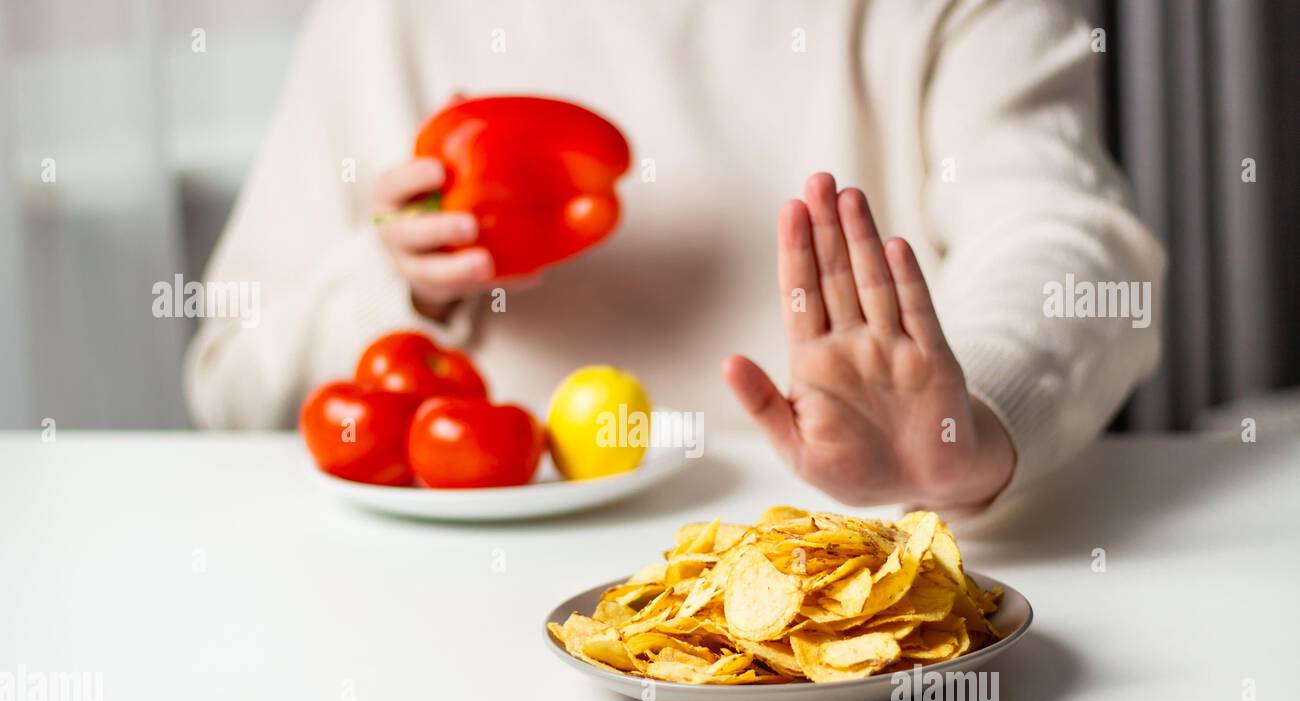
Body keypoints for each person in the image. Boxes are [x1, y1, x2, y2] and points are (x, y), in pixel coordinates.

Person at [184, 0, 1165, 512]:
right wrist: (396, 284)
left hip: (856, 596)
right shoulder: (385, 19)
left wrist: (974, 421)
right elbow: (230, 383)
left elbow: (1070, 242)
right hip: (458, 623)